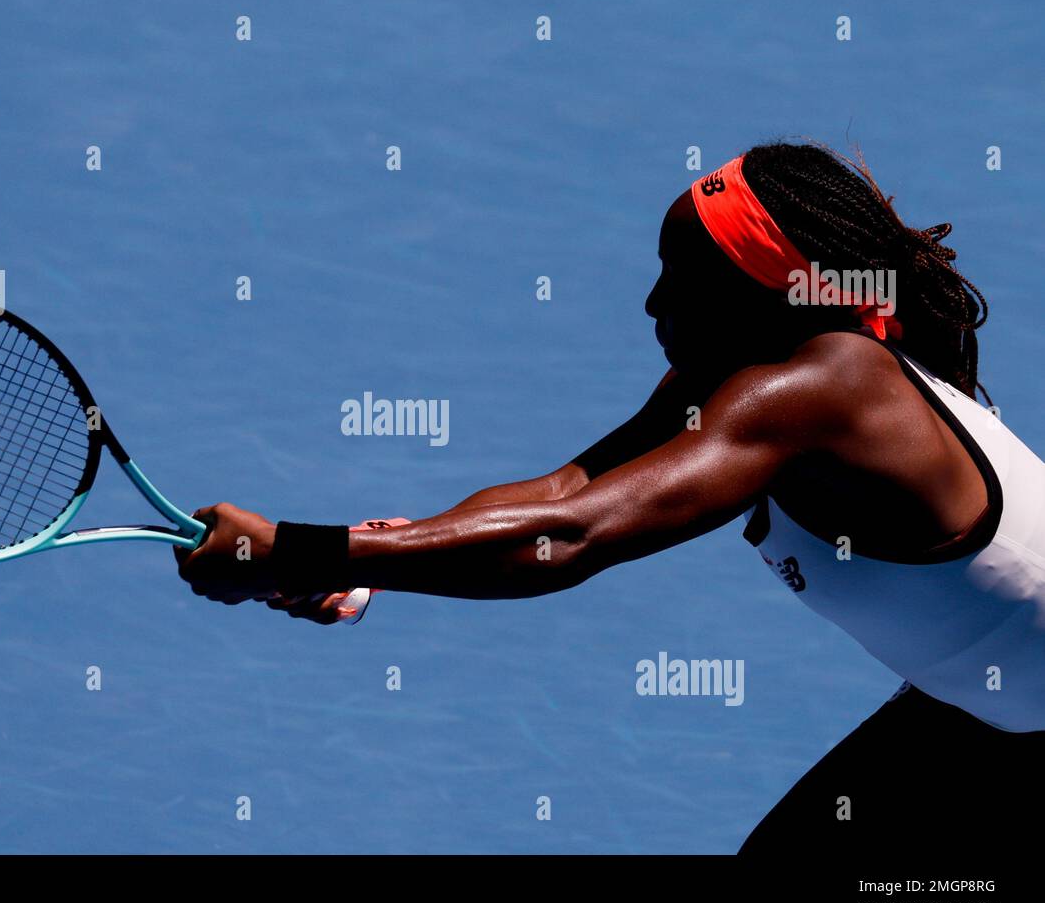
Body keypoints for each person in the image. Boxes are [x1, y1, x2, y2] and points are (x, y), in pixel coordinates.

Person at [175, 142, 1045, 854]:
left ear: (771, 290)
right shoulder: (738, 374)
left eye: (685, 277)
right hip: (989, 710)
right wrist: (378, 557)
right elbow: (567, 488)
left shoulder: (825, 390)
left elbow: (574, 537)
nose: (652, 301)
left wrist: (295, 552)